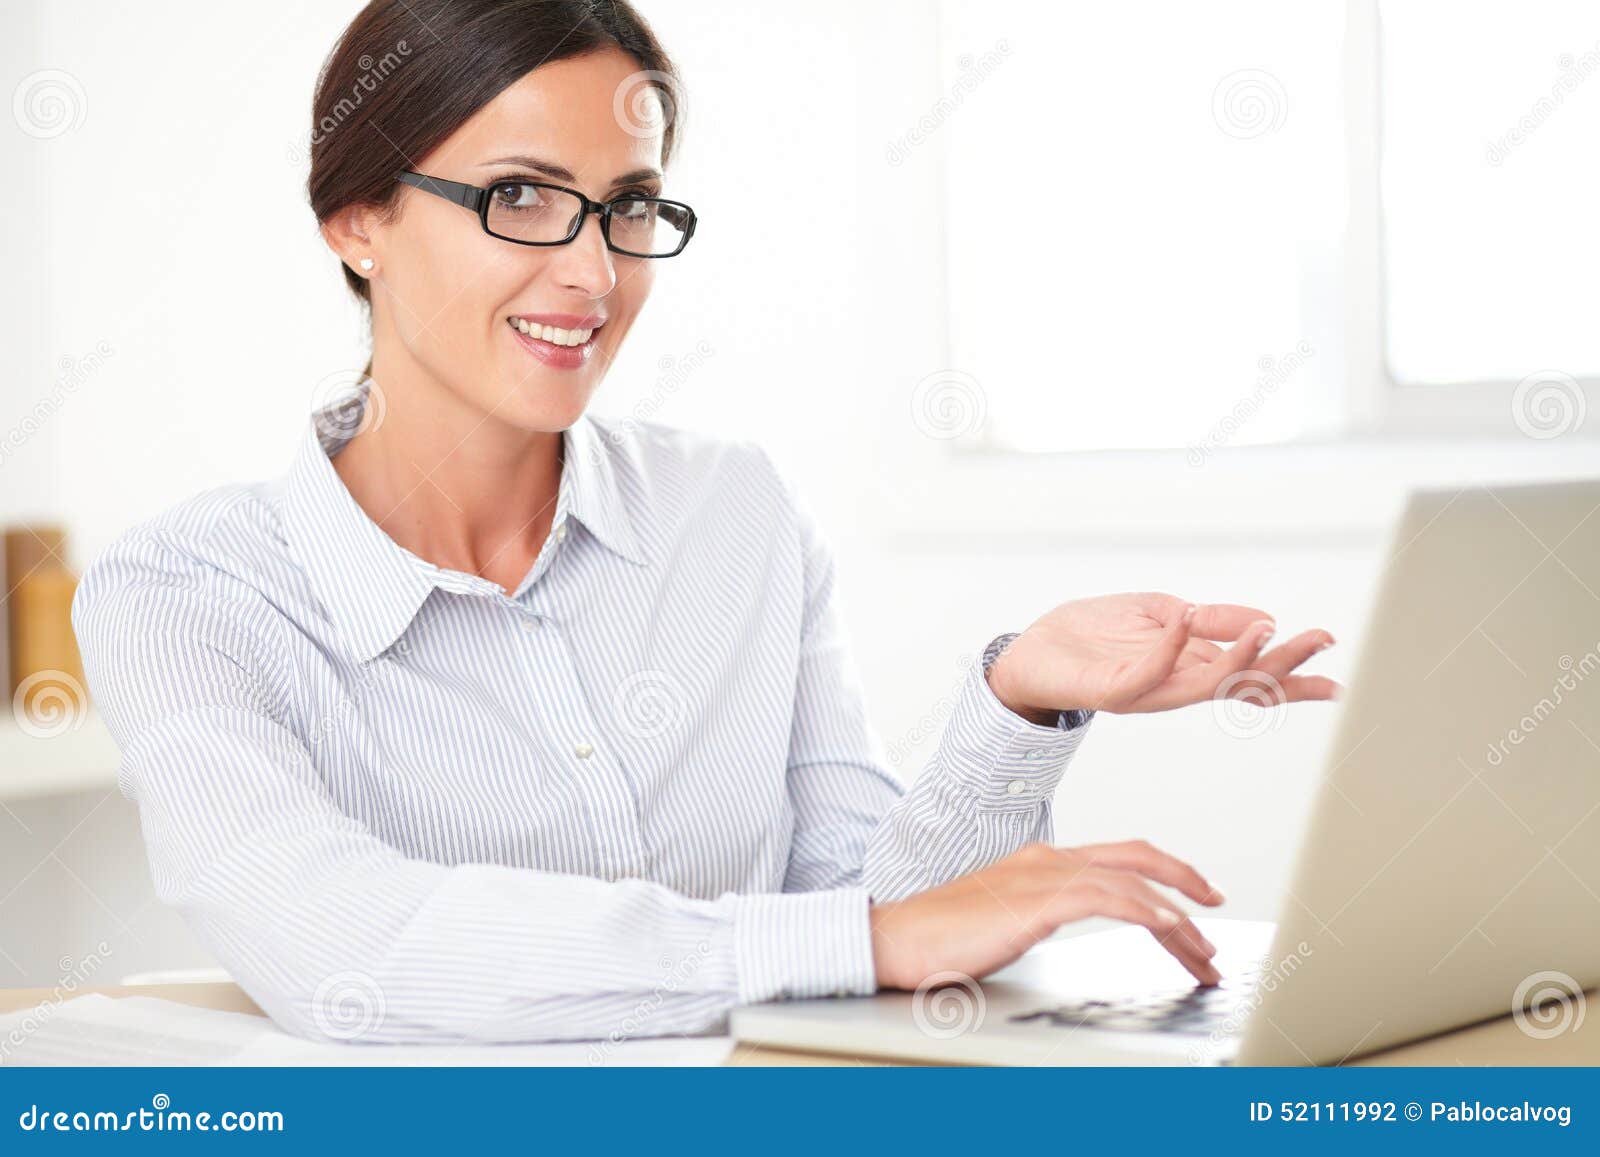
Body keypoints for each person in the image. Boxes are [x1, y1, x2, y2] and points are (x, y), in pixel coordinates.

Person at [72, 0, 1337, 1044]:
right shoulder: (188, 593)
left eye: (629, 205)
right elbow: (339, 942)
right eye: (521, 196)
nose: (593, 272)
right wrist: (862, 941)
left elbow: (879, 923)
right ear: (358, 222)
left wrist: (1016, 702)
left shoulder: (732, 513)